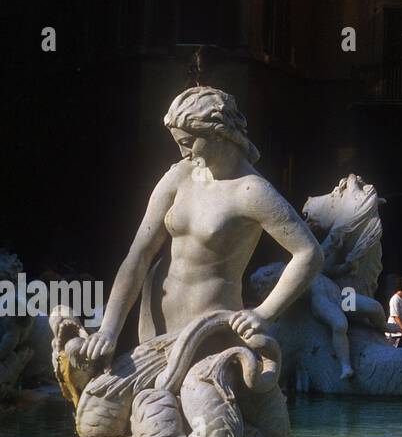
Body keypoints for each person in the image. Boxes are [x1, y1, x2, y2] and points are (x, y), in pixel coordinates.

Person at [83, 86, 322, 363]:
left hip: (208, 337)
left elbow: (309, 253)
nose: (182, 151)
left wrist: (265, 312)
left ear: (219, 134)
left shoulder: (251, 191)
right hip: (153, 331)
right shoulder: (178, 177)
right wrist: (109, 329)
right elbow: (139, 254)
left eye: (188, 142)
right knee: (103, 402)